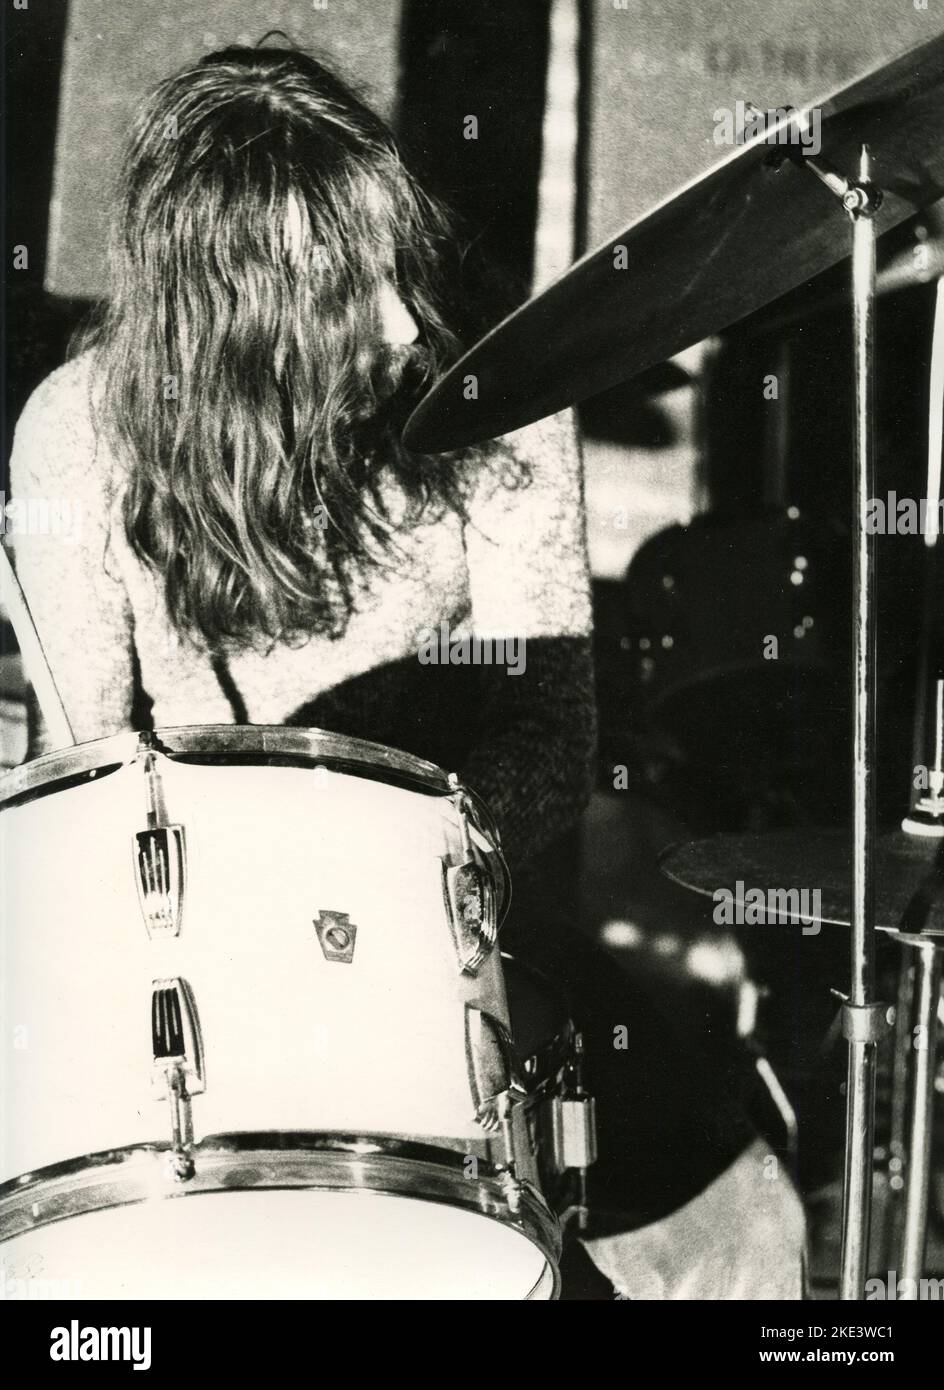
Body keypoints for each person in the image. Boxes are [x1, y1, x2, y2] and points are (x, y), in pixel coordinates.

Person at [9, 43, 803, 1298]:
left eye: (397, 269)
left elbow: (555, 719)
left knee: (746, 1241)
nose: (397, 319)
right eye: (347, 290)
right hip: (207, 1010)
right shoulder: (80, 432)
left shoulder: (500, 390)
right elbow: (90, 780)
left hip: (462, 976)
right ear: (233, 322)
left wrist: (393, 893)